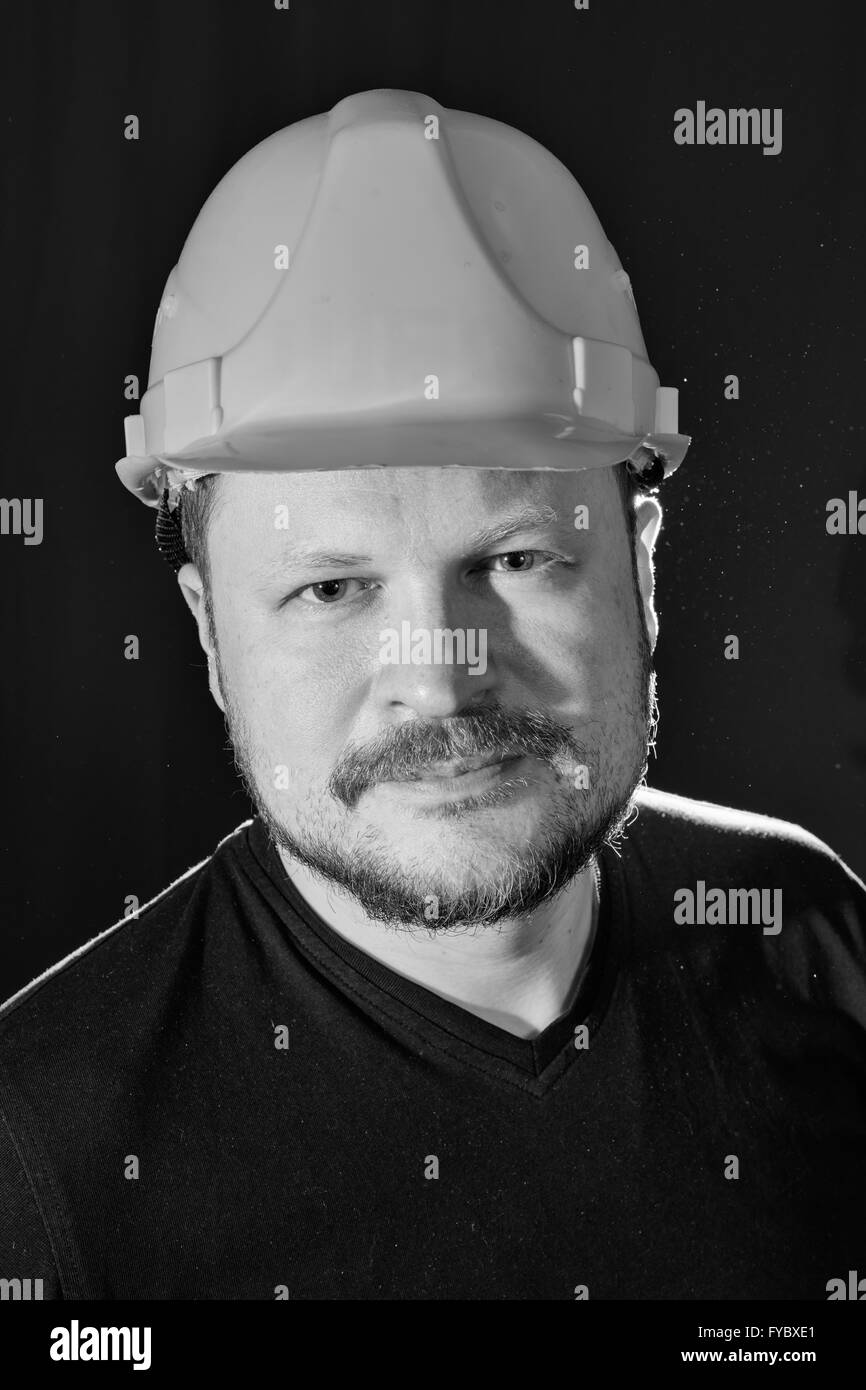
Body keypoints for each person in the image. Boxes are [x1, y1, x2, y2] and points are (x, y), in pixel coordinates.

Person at [1, 89, 864, 1302]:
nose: (441, 675)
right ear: (206, 632)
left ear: (644, 570)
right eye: (333, 587)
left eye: (515, 560)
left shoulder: (808, 933)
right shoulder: (39, 1153)